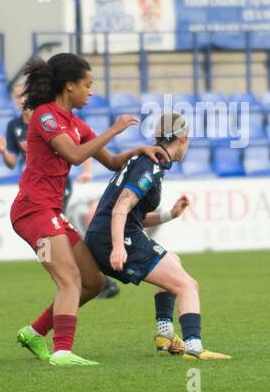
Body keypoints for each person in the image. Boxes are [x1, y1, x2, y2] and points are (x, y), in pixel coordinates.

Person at [10, 53, 164, 366]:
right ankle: (62, 351)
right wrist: (114, 129)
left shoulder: (76, 124)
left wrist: (139, 150)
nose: (91, 92)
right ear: (70, 86)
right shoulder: (45, 116)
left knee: (93, 282)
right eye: (88, 85)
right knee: (69, 278)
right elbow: (76, 155)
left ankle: (34, 332)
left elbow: (112, 162)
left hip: (52, 213)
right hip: (33, 212)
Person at [84, 113, 230, 361]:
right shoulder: (150, 165)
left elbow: (133, 216)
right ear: (183, 138)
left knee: (173, 261)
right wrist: (118, 247)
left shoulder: (149, 161)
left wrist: (170, 214)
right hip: (115, 239)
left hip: (108, 235)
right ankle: (194, 348)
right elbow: (121, 206)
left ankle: (165, 334)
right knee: (187, 285)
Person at [0, 79, 120, 298]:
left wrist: (88, 170)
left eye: (23, 95)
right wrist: (3, 152)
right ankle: (76, 273)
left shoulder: (48, 119)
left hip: (56, 188)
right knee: (53, 232)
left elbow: (81, 148)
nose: (21, 100)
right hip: (36, 189)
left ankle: (82, 273)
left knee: (56, 228)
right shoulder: (15, 126)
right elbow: (12, 161)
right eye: (17, 97)